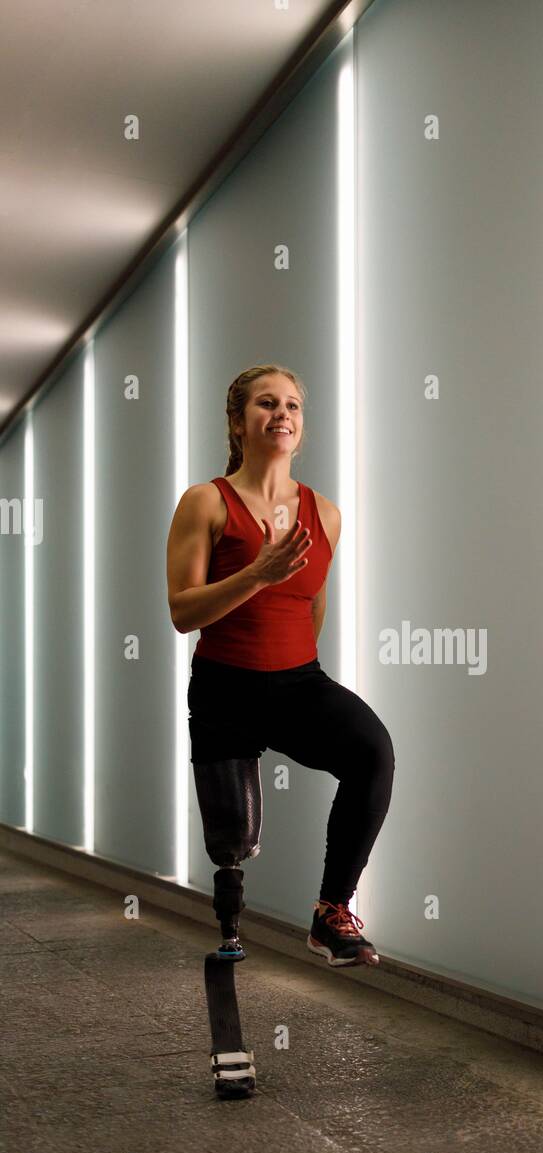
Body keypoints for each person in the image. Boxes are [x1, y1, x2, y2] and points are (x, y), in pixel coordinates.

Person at [166, 363, 394, 966]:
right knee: (233, 843)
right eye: (267, 404)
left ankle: (330, 914)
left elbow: (312, 604)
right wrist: (256, 574)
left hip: (296, 685)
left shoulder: (326, 514)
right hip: (224, 692)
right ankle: (230, 929)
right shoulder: (205, 502)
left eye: (292, 406)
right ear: (239, 423)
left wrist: (289, 667)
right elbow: (183, 612)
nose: (282, 415)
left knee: (373, 752)